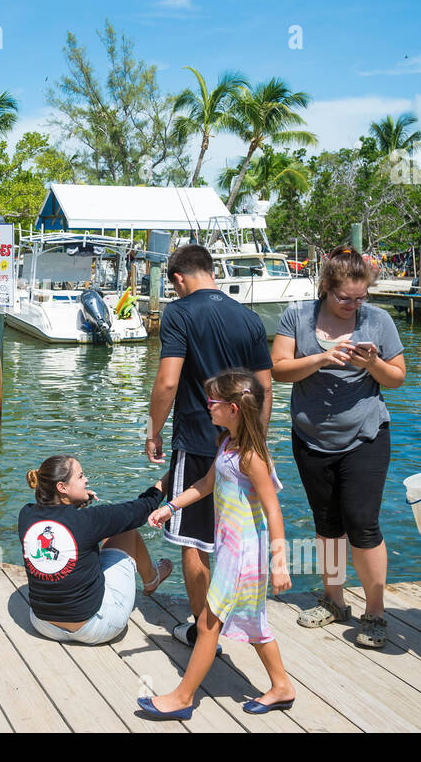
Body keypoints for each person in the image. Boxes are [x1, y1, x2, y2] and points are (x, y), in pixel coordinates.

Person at [137, 370, 294, 720]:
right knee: (254, 623)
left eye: (213, 402)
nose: (207, 407)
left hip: (244, 556)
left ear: (234, 409)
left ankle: (183, 697)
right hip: (228, 550)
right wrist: (169, 507)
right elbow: (206, 483)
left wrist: (280, 559)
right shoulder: (227, 444)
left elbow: (273, 509)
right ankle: (282, 686)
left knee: (208, 623)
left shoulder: (252, 457)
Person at [271, 246, 406, 649]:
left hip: (365, 435)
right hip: (311, 437)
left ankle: (376, 612)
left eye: (360, 298)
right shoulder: (298, 316)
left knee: (362, 523)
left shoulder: (378, 321)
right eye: (344, 298)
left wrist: (371, 366)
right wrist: (322, 358)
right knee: (326, 524)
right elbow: (278, 369)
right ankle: (334, 600)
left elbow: (397, 378)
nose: (353, 305)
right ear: (326, 288)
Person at [145, 243, 272, 647]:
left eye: (175, 285)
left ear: (178, 278)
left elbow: (167, 381)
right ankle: (235, 623)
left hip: (198, 438)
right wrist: (254, 444)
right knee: (233, 538)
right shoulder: (249, 318)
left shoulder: (179, 312)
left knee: (193, 541)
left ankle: (204, 629)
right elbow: (265, 388)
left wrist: (153, 429)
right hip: (241, 445)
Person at [19, 456, 173, 645]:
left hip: (43, 624)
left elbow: (63, 519)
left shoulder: (26, 515)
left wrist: (76, 502)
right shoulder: (89, 520)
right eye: (81, 476)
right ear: (62, 487)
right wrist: (172, 474)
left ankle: (151, 578)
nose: (86, 480)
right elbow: (143, 507)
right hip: (94, 629)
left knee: (98, 538)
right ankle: (152, 579)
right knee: (126, 532)